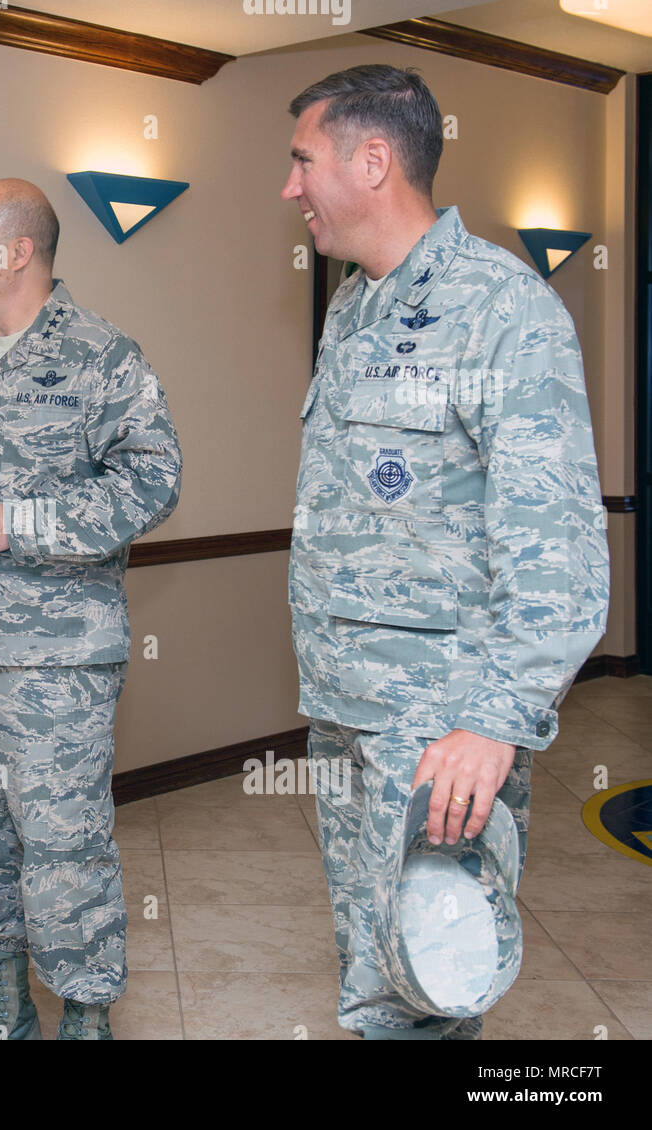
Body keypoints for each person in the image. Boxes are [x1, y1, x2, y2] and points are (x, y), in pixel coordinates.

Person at [281, 65, 609, 1038]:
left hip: (439, 734)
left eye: (302, 161)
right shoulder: (352, 308)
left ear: (371, 160)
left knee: (431, 978)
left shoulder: (502, 310)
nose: (289, 187)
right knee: (378, 978)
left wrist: (494, 722)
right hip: (347, 715)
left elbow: (559, 556)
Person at [0, 179, 182, 1040]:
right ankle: (7, 1007)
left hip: (57, 661)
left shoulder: (104, 358)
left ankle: (86, 1016)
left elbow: (154, 485)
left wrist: (15, 525)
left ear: (15, 252)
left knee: (63, 845)